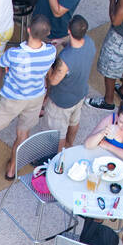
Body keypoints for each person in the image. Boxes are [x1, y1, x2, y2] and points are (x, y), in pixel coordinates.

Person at [0, 15, 58, 180]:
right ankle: (11, 170)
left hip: (12, 99)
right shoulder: (51, 52)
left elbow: (3, 65)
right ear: (47, 34)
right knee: (23, 133)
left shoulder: (14, 54)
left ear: (29, 30)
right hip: (36, 97)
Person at [44, 15, 96, 150]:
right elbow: (74, 43)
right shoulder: (89, 42)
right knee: (74, 121)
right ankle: (69, 145)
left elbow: (53, 80)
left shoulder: (65, 59)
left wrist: (49, 62)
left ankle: (58, 157)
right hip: (79, 94)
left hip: (61, 102)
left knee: (58, 133)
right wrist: (61, 41)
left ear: (68, 30)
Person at [81, 100, 123, 166]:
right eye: (121, 122)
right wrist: (102, 133)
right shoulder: (111, 119)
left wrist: (107, 146)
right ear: (117, 117)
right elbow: (88, 145)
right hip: (111, 159)